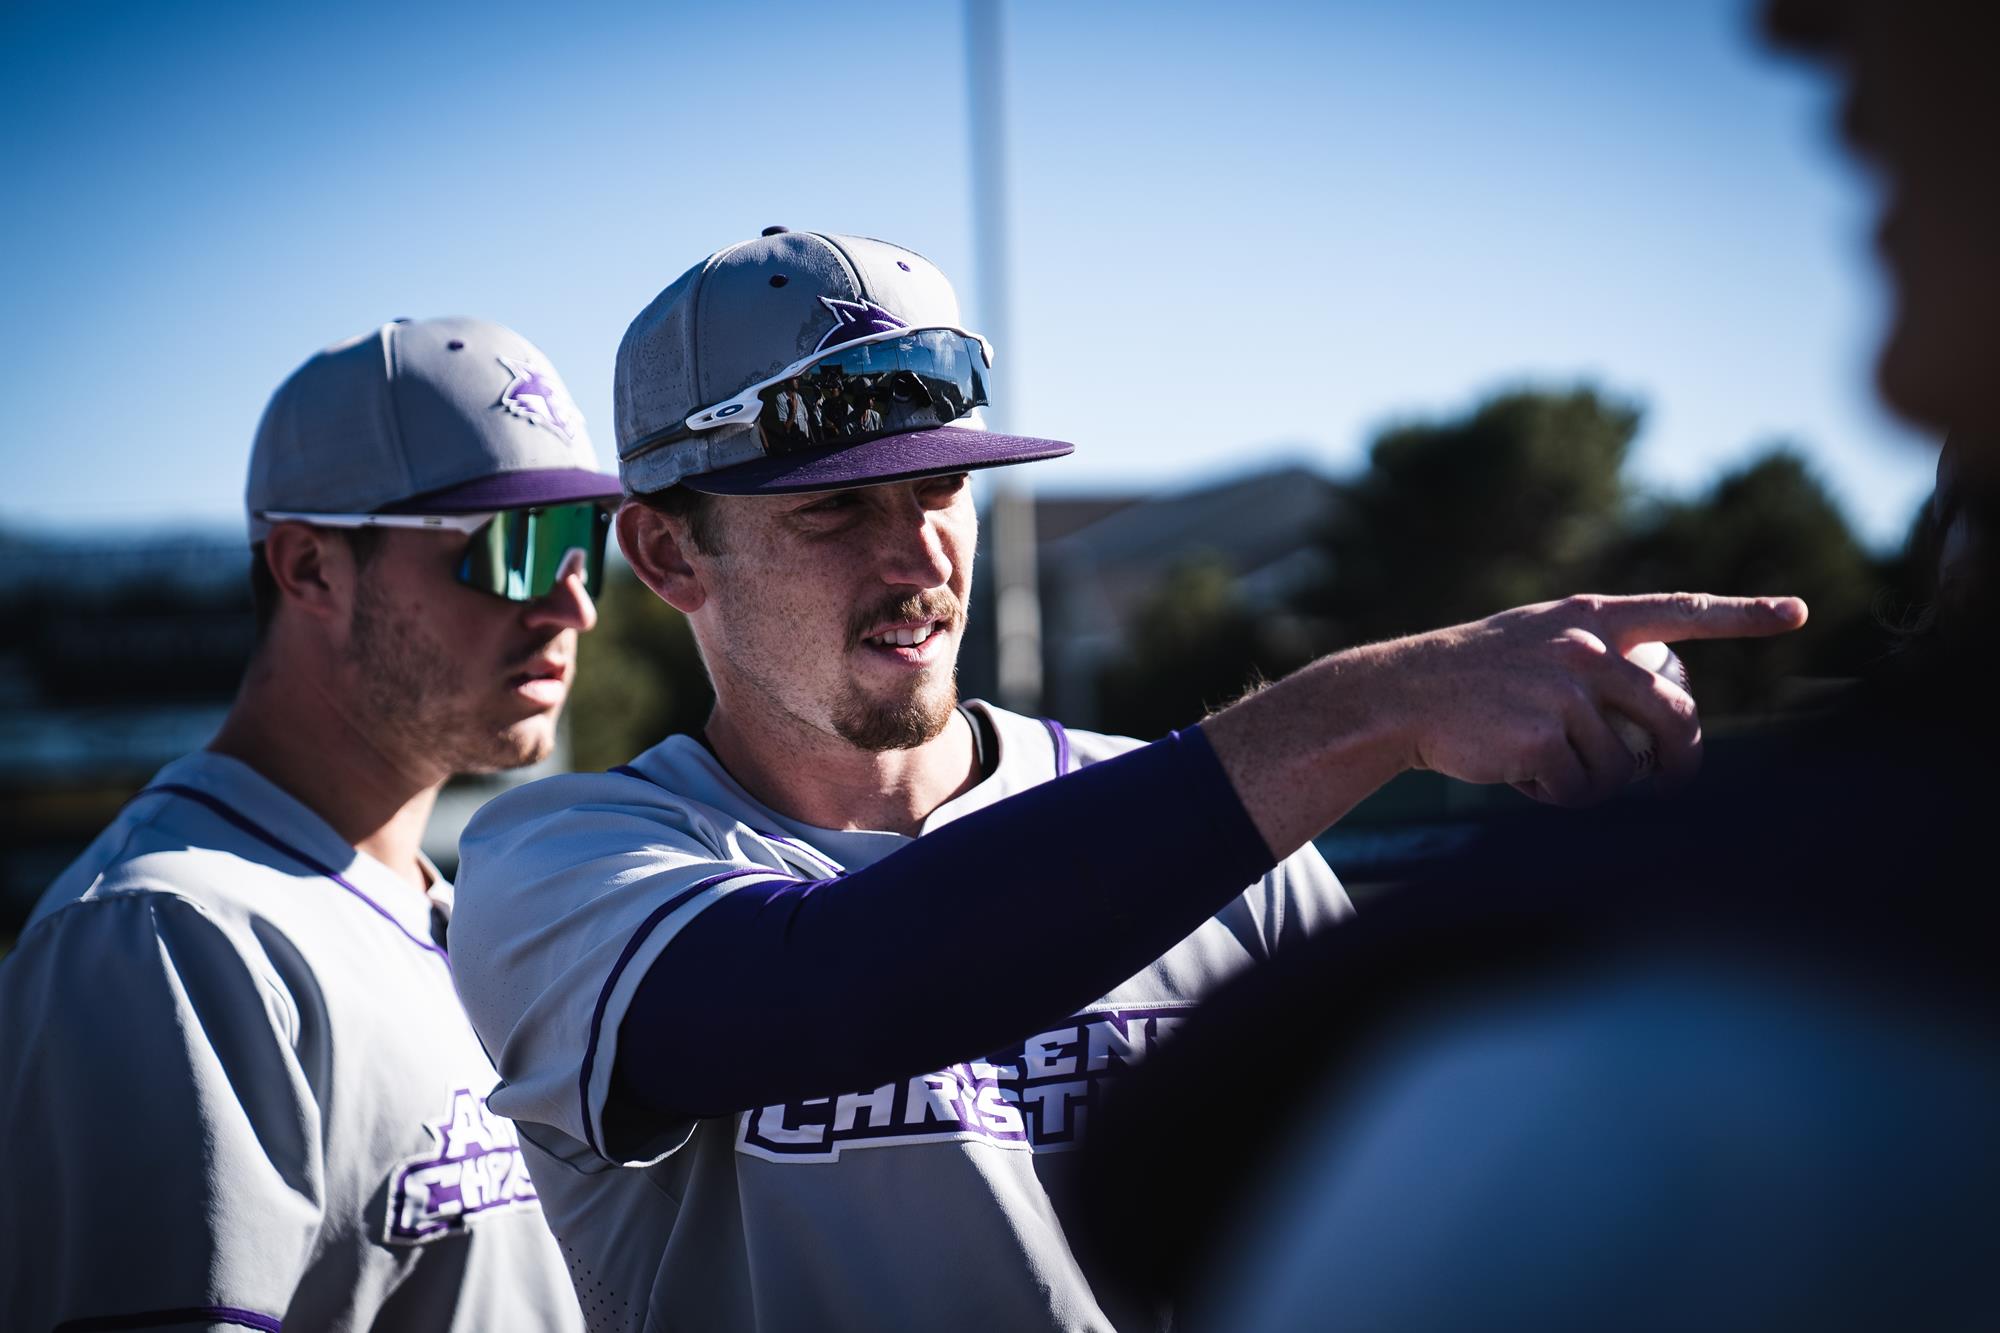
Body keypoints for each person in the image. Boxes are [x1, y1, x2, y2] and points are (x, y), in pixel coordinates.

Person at [445, 228, 1805, 1333]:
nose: (919, 560)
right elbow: (841, 984)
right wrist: (1375, 701)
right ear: (672, 559)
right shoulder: (562, 858)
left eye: (941, 493)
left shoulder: (1220, 839)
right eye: (833, 511)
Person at [1077, 5, 2000, 1329]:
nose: (1790, 29)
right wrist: (1386, 696)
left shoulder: (1655, 1100)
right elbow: (805, 983)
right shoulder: (1684, 1037)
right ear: (661, 552)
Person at [0, 318, 620, 1331]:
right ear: (309, 567)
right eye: (518, 545)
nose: (573, 606)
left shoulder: (459, 924)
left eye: (579, 541)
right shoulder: (167, 936)